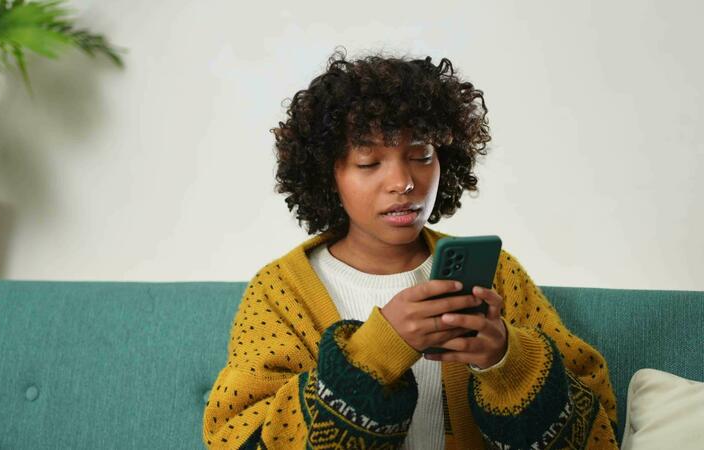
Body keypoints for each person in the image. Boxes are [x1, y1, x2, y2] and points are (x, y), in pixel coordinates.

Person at [202, 47, 618, 449]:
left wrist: (505, 359)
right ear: (329, 175)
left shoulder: (496, 275)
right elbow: (240, 434)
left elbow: (596, 427)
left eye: (421, 155)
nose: (403, 182)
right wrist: (378, 351)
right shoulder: (279, 292)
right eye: (369, 163)